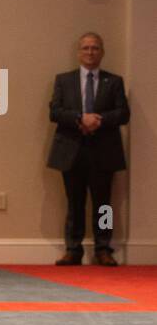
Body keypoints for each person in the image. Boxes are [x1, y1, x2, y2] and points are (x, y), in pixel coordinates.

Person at [47, 32, 130, 266]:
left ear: (102, 52)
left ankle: (103, 248)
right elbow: (55, 111)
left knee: (104, 204)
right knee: (74, 202)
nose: (90, 52)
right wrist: (79, 118)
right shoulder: (63, 80)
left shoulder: (114, 81)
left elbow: (123, 113)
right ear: (78, 53)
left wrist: (99, 119)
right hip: (72, 150)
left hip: (104, 151)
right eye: (86, 48)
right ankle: (73, 249)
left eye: (95, 48)